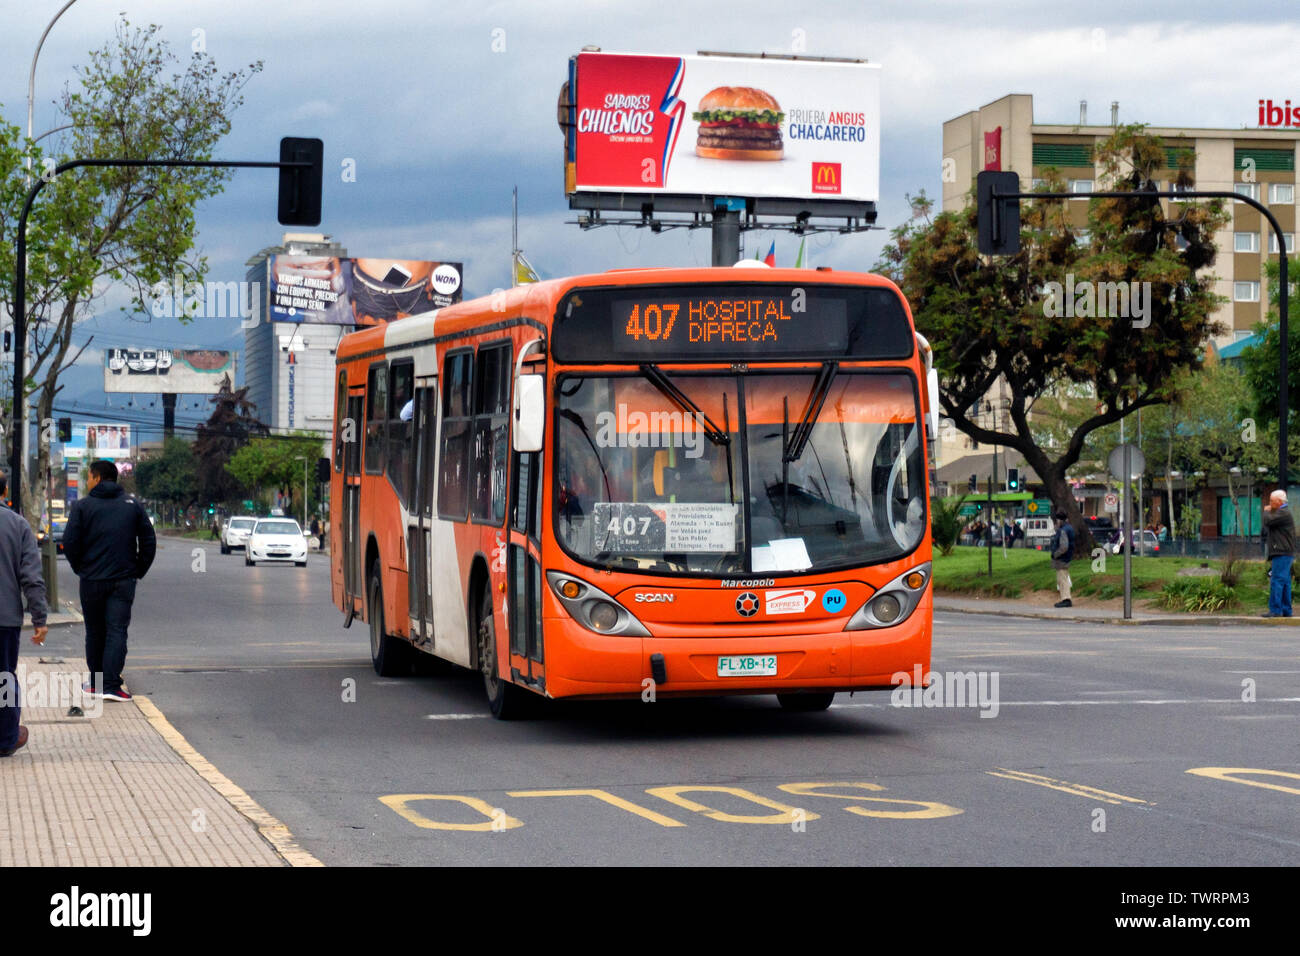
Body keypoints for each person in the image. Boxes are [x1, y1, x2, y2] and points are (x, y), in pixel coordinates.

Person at [61, 460, 156, 702]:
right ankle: (112, 685)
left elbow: (70, 543)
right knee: (116, 630)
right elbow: (148, 542)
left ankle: (96, 683)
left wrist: (81, 568)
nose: (88, 481)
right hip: (123, 581)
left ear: (97, 478)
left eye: (90, 476)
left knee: (94, 631)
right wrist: (136, 570)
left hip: (91, 580)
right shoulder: (132, 506)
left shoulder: (83, 506)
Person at [0, 475, 48, 757]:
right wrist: (39, 619)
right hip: (4, 618)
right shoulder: (18, 525)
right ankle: (6, 739)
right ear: (5, 491)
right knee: (4, 678)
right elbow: (31, 577)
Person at [1262, 490, 1294, 618]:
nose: (1269, 503)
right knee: (1285, 582)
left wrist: (1266, 510)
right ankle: (1286, 610)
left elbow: (1268, 521)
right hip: (1285, 552)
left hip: (1281, 552)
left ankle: (1275, 610)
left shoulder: (1283, 513)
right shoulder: (1283, 513)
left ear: (1279, 502)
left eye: (1271, 501)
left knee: (1277, 581)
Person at [1050, 510, 1076, 608]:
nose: (1056, 522)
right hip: (1067, 557)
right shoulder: (1069, 528)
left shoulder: (1063, 530)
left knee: (1062, 579)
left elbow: (1063, 547)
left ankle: (1066, 599)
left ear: (1059, 520)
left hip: (1062, 559)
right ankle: (1065, 598)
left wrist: (1055, 554)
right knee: (1063, 578)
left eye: (1056, 520)